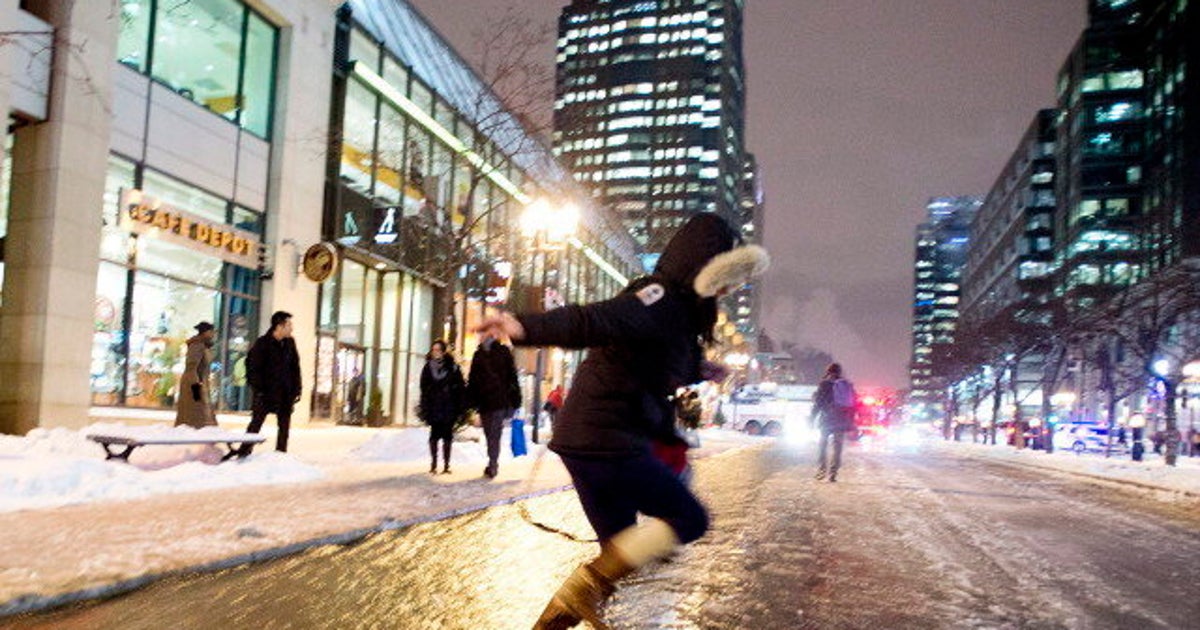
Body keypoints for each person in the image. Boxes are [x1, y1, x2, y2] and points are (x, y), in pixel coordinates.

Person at [474, 213, 769, 629]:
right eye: (728, 273)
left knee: (613, 559)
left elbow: (656, 357)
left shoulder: (680, 313)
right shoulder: (659, 298)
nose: (730, 286)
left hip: (592, 440)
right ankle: (583, 591)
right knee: (688, 519)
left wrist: (702, 368)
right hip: (607, 438)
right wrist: (524, 326)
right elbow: (595, 320)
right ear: (705, 265)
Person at [245, 311, 302, 453]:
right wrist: (259, 390)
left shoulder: (290, 343)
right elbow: (252, 368)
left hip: (285, 393)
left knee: (284, 427)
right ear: (279, 326)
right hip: (265, 393)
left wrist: (296, 389)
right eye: (289, 325)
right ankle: (244, 451)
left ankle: (280, 454)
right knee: (255, 424)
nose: (291, 328)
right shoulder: (262, 344)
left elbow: (295, 367)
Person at [465, 334, 521, 478]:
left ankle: (493, 464)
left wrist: (515, 399)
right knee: (489, 433)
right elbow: (473, 378)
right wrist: (470, 399)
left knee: (494, 433)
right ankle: (492, 461)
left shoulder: (503, 352)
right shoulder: (478, 354)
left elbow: (512, 376)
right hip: (484, 401)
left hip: (499, 400)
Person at [419, 340, 466, 474]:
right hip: (434, 406)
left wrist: (459, 404)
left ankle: (446, 464)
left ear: (444, 351)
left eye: (439, 350)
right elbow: (423, 387)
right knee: (434, 435)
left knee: (447, 436)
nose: (436, 353)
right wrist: (426, 404)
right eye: (434, 350)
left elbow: (460, 387)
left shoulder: (453, 367)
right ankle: (433, 463)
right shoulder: (428, 368)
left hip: (448, 406)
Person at [812, 362, 857, 482]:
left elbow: (818, 403)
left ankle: (822, 470)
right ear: (839, 372)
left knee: (823, 445)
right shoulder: (847, 385)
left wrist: (812, 418)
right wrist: (851, 421)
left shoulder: (824, 384)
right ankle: (833, 473)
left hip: (827, 420)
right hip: (841, 420)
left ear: (829, 371)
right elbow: (854, 405)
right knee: (837, 448)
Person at [175, 321, 219, 429]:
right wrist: (196, 386)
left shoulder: (203, 345)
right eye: (211, 331)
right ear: (205, 332)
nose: (213, 334)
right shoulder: (197, 345)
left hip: (199, 381)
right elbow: (192, 365)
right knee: (196, 407)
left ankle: (199, 429)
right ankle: (194, 430)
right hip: (194, 382)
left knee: (199, 408)